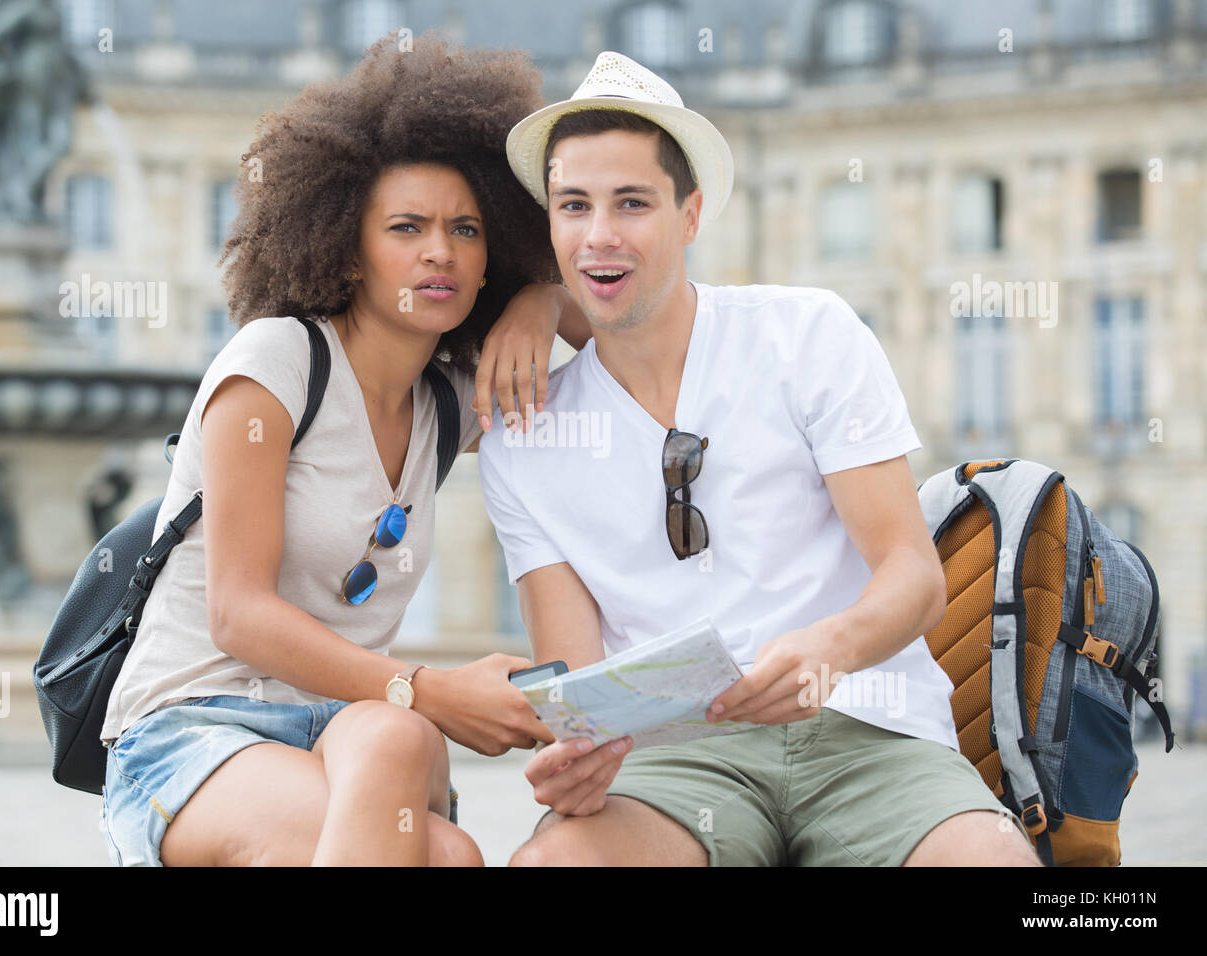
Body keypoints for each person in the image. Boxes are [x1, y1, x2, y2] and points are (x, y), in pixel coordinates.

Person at [477, 52, 1043, 866]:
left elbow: (913, 579)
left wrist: (833, 648)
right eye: (575, 206)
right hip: (673, 766)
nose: (600, 234)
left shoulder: (807, 335)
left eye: (631, 203)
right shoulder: (522, 440)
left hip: (868, 731)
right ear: (552, 228)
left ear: (691, 214)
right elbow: (581, 689)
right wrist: (580, 762)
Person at [97, 32, 588, 867]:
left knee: (420, 783)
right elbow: (238, 614)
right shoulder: (276, 361)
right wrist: (432, 691)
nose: (440, 251)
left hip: (349, 723)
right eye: (407, 227)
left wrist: (540, 293)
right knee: (426, 795)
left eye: (468, 230)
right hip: (199, 728)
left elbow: (623, 335)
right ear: (347, 249)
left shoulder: (446, 403)